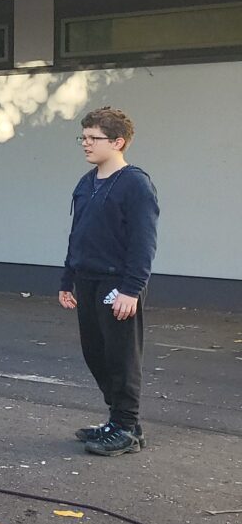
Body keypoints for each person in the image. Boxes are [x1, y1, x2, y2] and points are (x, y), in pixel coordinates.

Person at [60, 107, 159, 457]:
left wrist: (131, 289)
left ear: (118, 142)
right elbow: (78, 235)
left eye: (93, 138)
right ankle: (122, 422)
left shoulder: (135, 184)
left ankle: (125, 428)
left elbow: (143, 242)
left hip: (118, 285)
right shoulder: (86, 183)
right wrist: (67, 278)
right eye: (83, 138)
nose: (85, 144)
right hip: (86, 280)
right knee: (96, 355)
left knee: (121, 358)